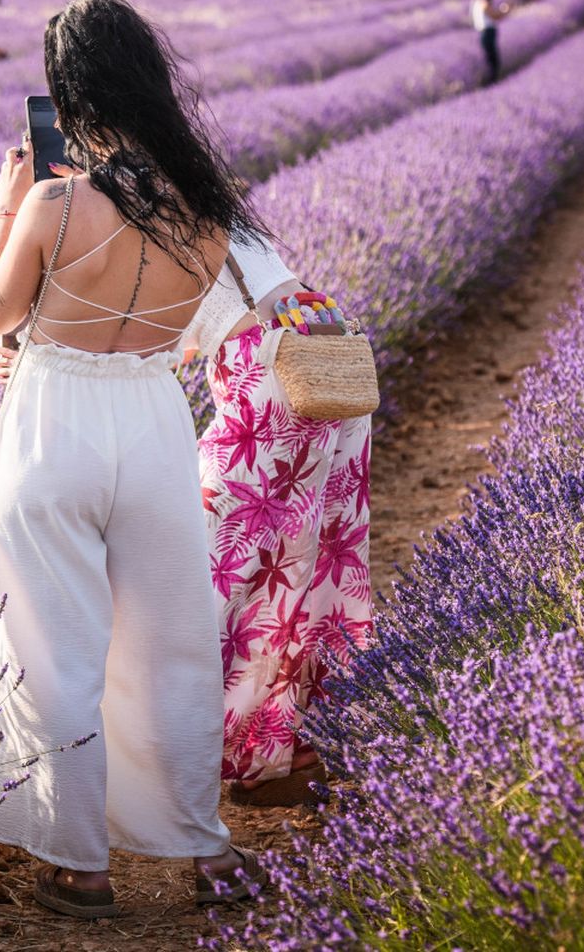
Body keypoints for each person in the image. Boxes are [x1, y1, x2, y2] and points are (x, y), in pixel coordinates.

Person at [0, 0, 266, 920]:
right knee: (173, 645)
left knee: (52, 648)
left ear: (69, 96)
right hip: (151, 422)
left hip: (52, 423)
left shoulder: (57, 203)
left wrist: (3, 209)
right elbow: (178, 326)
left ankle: (81, 865)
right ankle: (205, 852)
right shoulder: (209, 210)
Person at [174, 227, 374, 803]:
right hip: (325, 357)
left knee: (216, 562)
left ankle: (206, 744)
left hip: (269, 377)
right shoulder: (212, 194)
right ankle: (296, 746)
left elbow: (154, 343)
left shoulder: (152, 209)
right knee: (312, 559)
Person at [472, 0, 510, 85]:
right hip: (487, 33)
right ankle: (492, 84)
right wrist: (505, 11)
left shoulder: (476, 2)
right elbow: (495, 16)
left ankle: (491, 83)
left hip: (484, 33)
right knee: (493, 62)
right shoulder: (484, 3)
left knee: (490, 59)